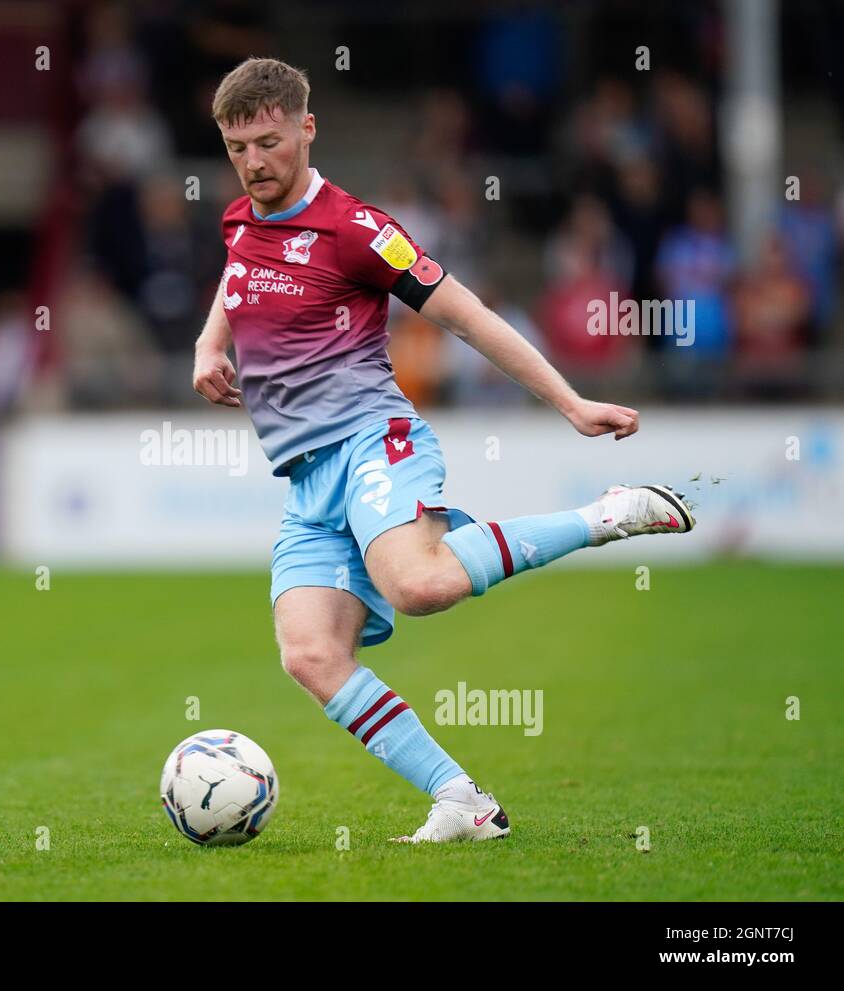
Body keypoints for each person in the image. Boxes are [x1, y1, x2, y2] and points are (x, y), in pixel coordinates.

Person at [192, 58, 697, 844]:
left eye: (269, 141)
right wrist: (207, 345)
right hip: (306, 481)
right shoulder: (239, 220)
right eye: (237, 147)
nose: (255, 163)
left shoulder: (358, 231)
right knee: (311, 654)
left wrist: (571, 402)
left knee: (420, 585)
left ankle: (606, 516)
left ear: (306, 127)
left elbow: (468, 317)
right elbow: (238, 277)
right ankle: (464, 802)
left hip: (374, 444)